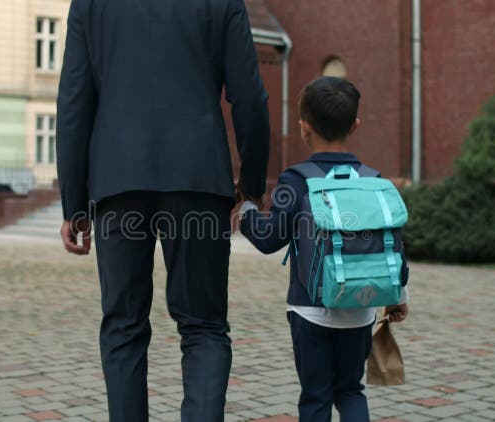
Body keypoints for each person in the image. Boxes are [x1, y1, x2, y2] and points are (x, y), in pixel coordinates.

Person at [55, 0, 270, 421]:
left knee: (123, 326)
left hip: (118, 182)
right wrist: (252, 184)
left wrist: (75, 203)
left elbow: (74, 100)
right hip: (198, 180)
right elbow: (249, 95)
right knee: (204, 326)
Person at [239, 77, 409, 422]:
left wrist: (246, 212)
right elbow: (392, 243)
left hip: (310, 310)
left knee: (316, 398)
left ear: (304, 129)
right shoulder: (374, 180)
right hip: (361, 309)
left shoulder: (296, 181)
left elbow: (270, 239)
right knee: (349, 391)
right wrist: (399, 293)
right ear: (356, 125)